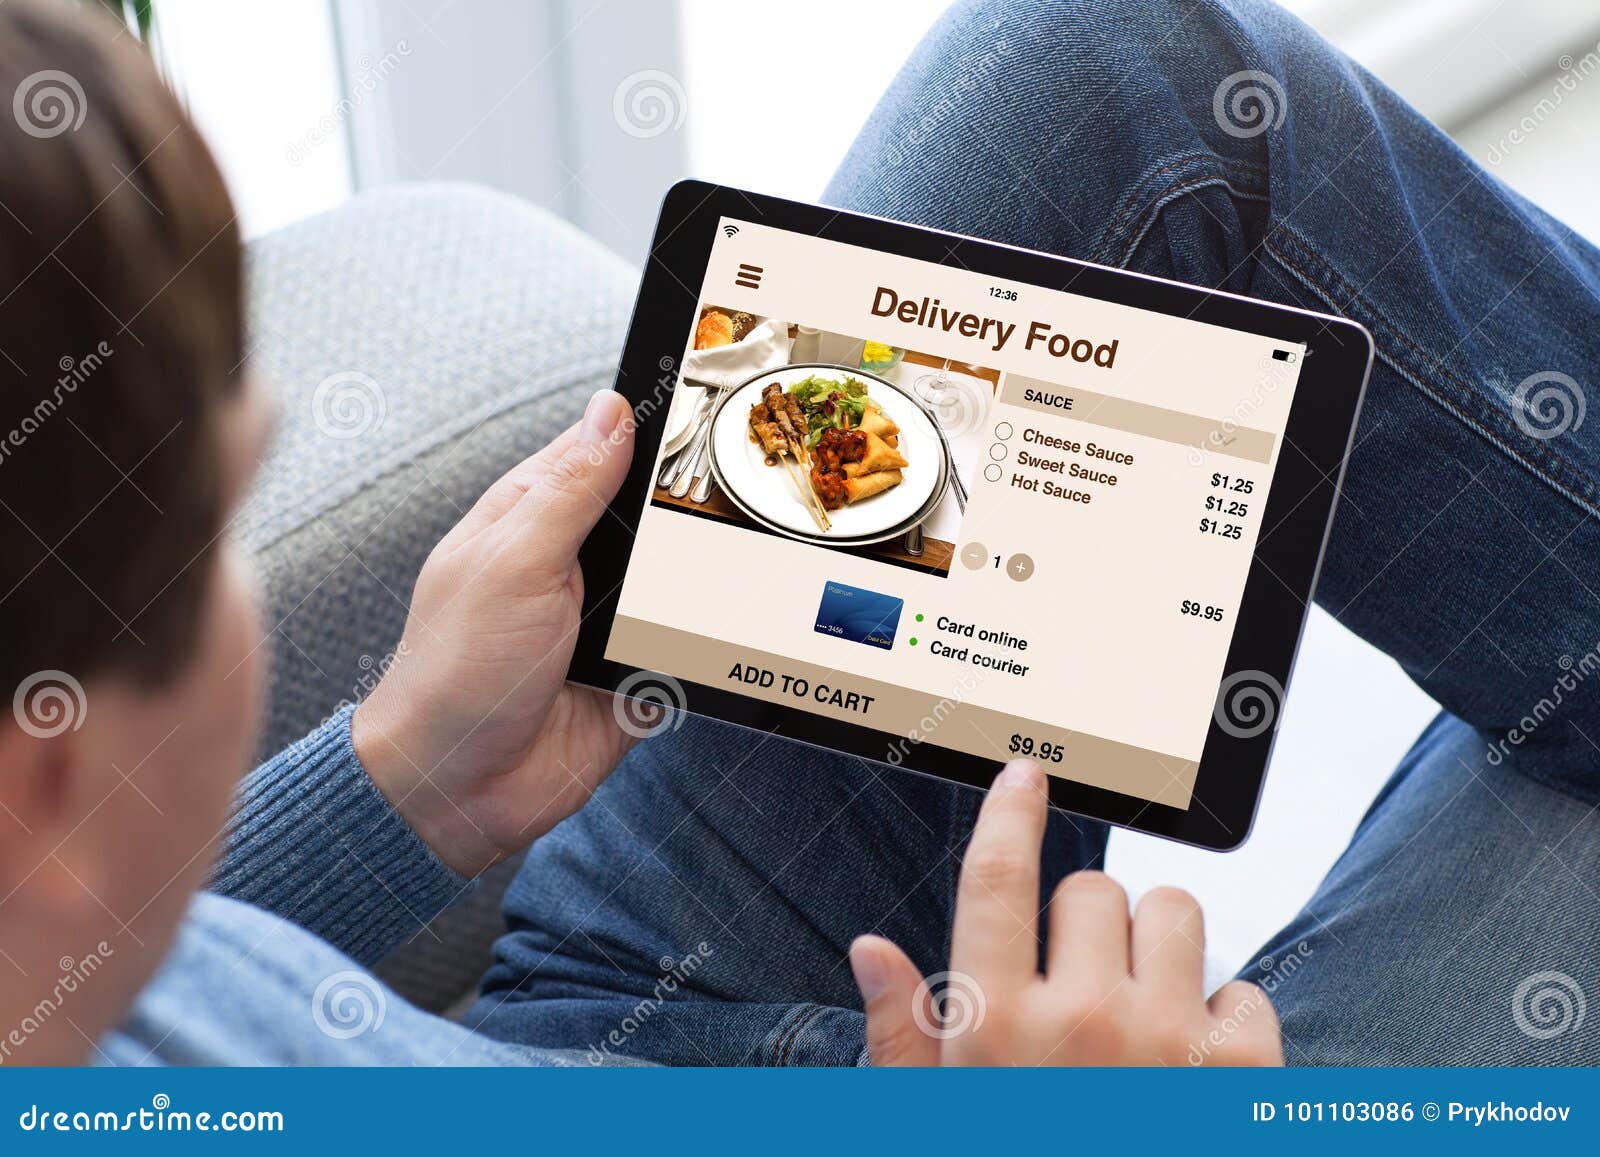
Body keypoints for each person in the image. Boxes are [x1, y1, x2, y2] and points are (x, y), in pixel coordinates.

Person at [0, 0, 1586, 1070]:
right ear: (52, 783)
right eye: (221, 523)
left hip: (554, 1034)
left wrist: (404, 777)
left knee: (1110, 62)